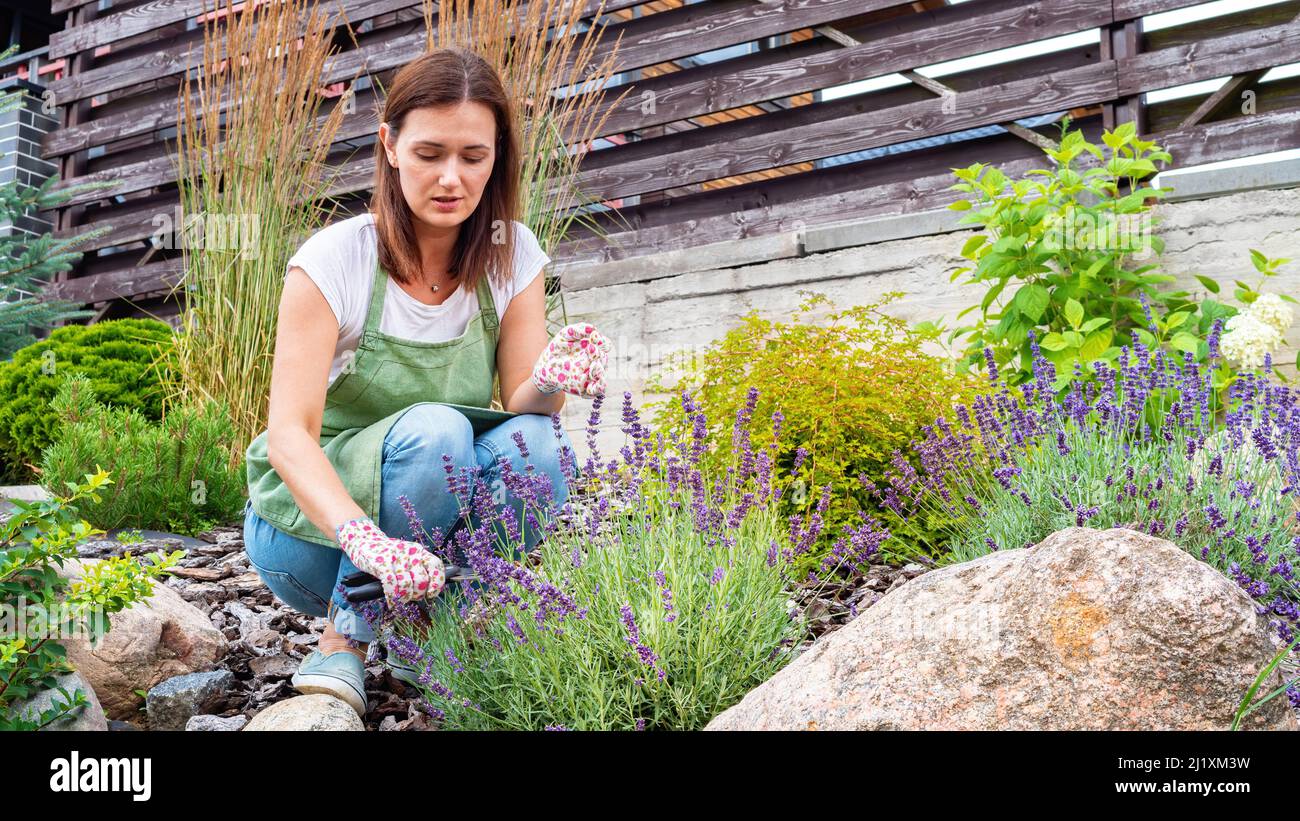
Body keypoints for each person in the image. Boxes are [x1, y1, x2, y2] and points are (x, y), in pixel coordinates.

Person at [242, 47, 610, 718]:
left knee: (543, 445)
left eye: (474, 157)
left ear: (499, 155)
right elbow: (287, 437)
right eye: (429, 153)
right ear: (389, 145)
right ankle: (343, 641)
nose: (451, 178)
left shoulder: (511, 251)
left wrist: (552, 376)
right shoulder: (335, 260)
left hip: (423, 540)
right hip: (313, 537)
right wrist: (367, 541)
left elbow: (526, 404)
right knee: (438, 430)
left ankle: (428, 629)